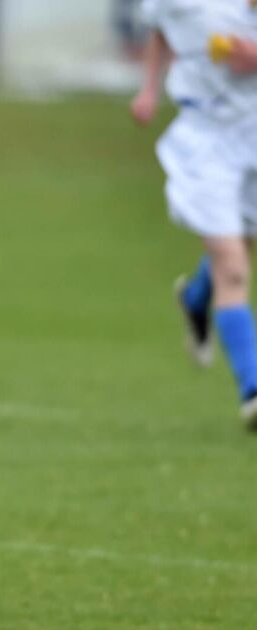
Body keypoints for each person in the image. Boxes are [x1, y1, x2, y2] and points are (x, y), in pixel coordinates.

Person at [130, 0, 257, 427]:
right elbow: (162, 26)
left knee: (243, 247)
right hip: (207, 143)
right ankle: (252, 390)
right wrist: (149, 89)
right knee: (234, 265)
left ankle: (196, 299)